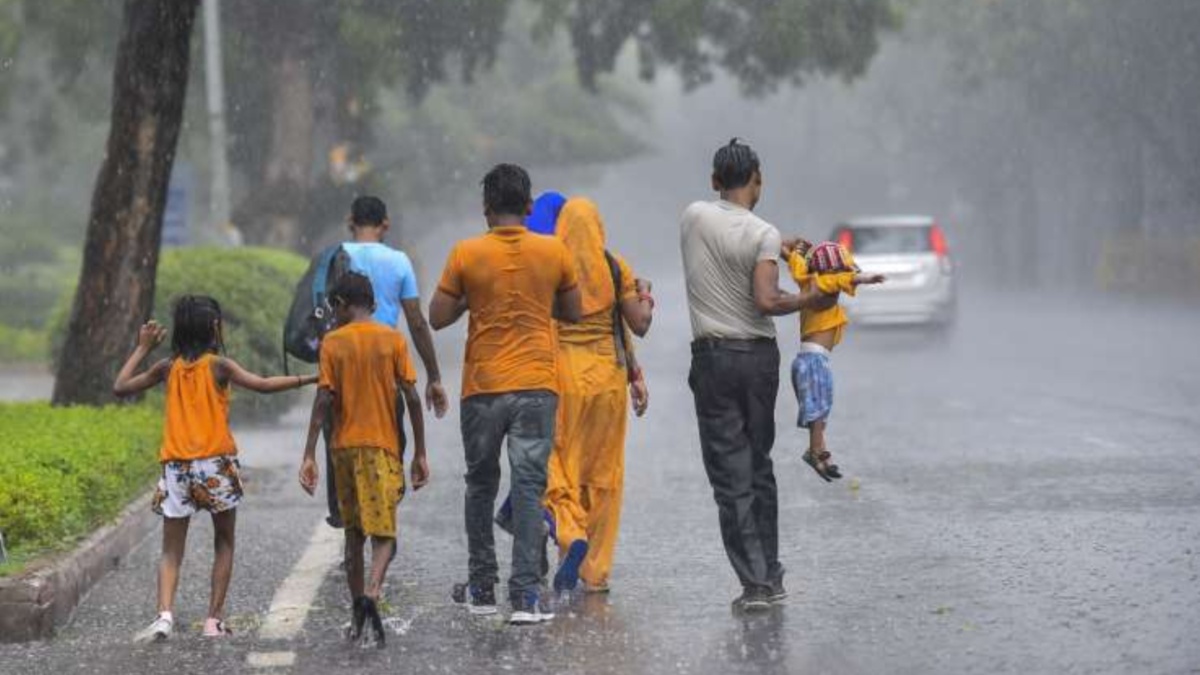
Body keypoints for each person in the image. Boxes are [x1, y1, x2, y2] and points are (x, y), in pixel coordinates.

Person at [679, 138, 833, 612]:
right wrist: (812, 297)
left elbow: (732, 253)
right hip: (757, 360)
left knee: (731, 475)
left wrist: (774, 250)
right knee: (758, 465)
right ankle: (772, 571)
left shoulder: (693, 217)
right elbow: (767, 301)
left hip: (714, 359)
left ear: (713, 182)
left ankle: (756, 584)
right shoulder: (765, 232)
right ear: (758, 180)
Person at [112, 296, 318, 642]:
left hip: (176, 467)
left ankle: (164, 616)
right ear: (214, 328)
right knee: (224, 542)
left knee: (171, 550)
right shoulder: (219, 366)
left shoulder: (167, 367)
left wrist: (142, 348)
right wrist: (311, 379)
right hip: (215, 465)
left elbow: (120, 387)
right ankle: (213, 621)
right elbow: (264, 385)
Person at [429, 163, 582, 625]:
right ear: (530, 206)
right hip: (536, 384)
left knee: (480, 484)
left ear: (486, 210)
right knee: (530, 486)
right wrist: (535, 298)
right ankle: (526, 597)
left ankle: (480, 587)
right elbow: (573, 311)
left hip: (483, 388)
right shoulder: (553, 251)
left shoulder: (466, 253)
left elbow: (437, 316)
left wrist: (476, 294)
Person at [298, 272, 429, 647]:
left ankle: (357, 615)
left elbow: (323, 400)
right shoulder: (392, 340)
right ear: (371, 303)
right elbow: (413, 399)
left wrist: (309, 453)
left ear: (340, 305)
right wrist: (419, 451)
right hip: (381, 449)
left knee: (353, 535)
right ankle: (372, 592)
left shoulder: (332, 343)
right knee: (385, 535)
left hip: (343, 450)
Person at [542, 197, 654, 595]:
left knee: (558, 464)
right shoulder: (614, 265)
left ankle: (571, 536)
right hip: (609, 379)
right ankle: (595, 572)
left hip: (564, 378)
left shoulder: (552, 263)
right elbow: (634, 325)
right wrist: (646, 293)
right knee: (604, 474)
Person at [319, 195, 446, 529]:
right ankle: (383, 499)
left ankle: (341, 509)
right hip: (383, 370)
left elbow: (325, 313)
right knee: (390, 440)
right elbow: (417, 321)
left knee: (337, 438)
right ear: (385, 224)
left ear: (351, 221)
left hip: (343, 366)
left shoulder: (337, 256)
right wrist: (434, 376)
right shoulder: (399, 261)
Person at [785, 241, 884, 481]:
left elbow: (795, 263)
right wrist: (865, 278)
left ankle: (819, 451)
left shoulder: (806, 279)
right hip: (814, 360)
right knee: (818, 409)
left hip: (809, 360)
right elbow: (843, 279)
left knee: (819, 410)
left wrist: (791, 251)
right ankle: (816, 451)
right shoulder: (823, 283)